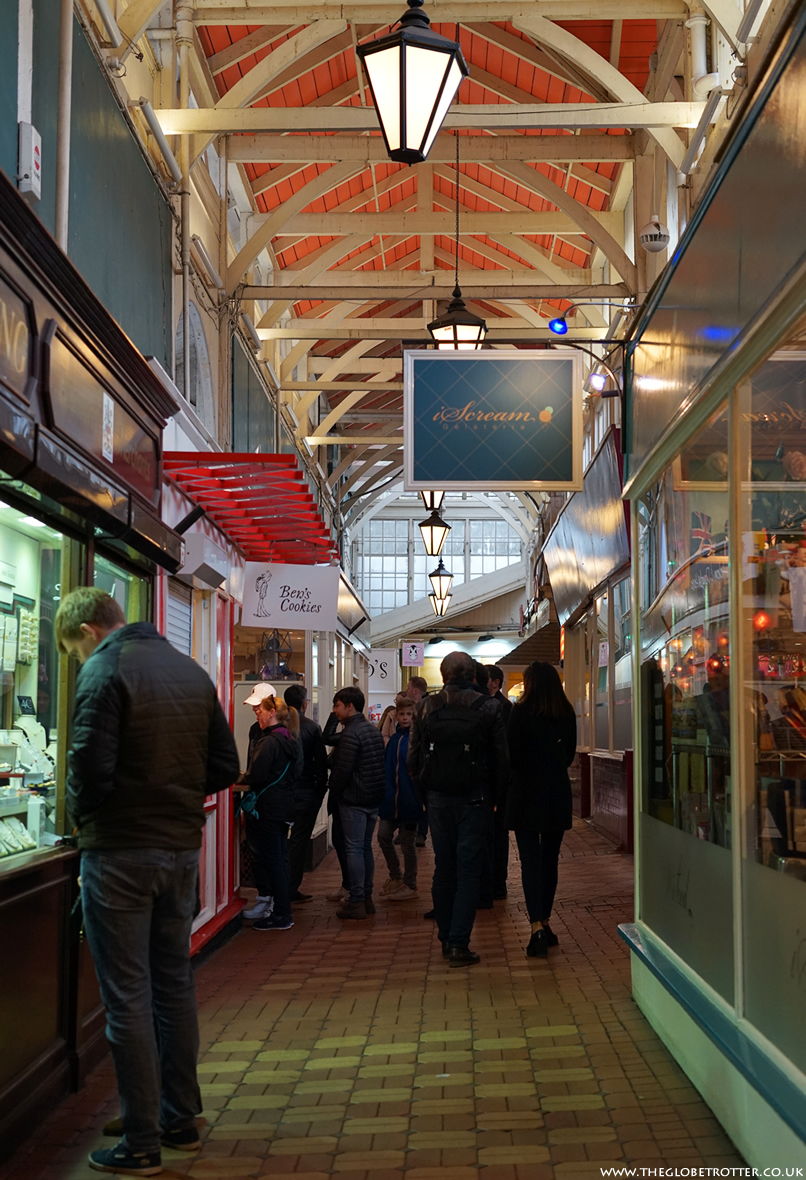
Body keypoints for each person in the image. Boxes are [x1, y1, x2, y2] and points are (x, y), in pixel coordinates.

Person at [56, 587, 240, 1176]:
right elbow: (224, 767)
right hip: (181, 850)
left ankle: (140, 1141)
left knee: (127, 996)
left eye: (71, 651)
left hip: (119, 854)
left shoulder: (104, 670)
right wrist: (177, 800)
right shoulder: (189, 671)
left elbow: (87, 766)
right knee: (172, 984)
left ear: (87, 631)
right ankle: (178, 1117)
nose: (77, 662)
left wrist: (84, 818)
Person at [408, 651, 509, 967]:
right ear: (474, 676)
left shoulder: (425, 707)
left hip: (437, 797)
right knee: (469, 869)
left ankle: (445, 936)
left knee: (444, 866)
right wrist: (495, 797)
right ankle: (458, 943)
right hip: (475, 797)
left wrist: (425, 793)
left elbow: (412, 758)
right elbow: (501, 759)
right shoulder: (489, 707)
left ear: (443, 675)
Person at [506, 661, 577, 959]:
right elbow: (570, 755)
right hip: (556, 794)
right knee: (550, 861)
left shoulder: (519, 712)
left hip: (525, 794)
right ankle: (545, 921)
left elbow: (513, 754)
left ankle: (536, 924)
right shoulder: (566, 712)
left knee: (529, 862)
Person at [239, 695, 303, 931]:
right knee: (278, 860)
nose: (258, 716)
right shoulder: (288, 739)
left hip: (269, 808)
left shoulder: (268, 742)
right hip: (283, 806)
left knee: (273, 861)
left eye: (260, 712)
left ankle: (281, 915)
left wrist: (242, 778)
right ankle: (281, 911)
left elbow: (256, 775)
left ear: (272, 712)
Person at [327, 685, 386, 919]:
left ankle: (358, 899)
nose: (335, 711)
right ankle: (367, 897)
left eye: (337, 706)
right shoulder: (371, 730)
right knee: (364, 848)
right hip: (372, 798)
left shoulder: (351, 733)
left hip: (354, 799)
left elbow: (343, 770)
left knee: (353, 848)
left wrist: (335, 792)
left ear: (349, 706)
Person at [283, 684, 328, 902]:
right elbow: (321, 764)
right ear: (304, 703)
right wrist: (320, 792)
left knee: (280, 841)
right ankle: (291, 887)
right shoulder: (312, 728)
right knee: (299, 842)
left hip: (282, 793)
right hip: (306, 792)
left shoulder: (277, 727)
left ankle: (278, 887)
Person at [377, 697, 422, 900]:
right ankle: (396, 876)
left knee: (407, 843)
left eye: (409, 714)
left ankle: (410, 883)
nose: (405, 718)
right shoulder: (394, 740)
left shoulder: (417, 740)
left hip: (409, 798)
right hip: (391, 799)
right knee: (383, 836)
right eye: (402, 714)